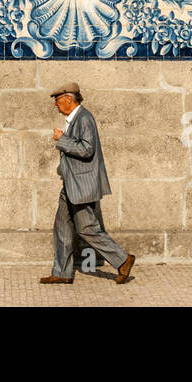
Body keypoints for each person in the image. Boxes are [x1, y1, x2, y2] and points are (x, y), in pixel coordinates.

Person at [40, 83, 135, 286]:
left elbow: (87, 149)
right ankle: (62, 272)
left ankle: (123, 259)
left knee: (87, 228)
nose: (56, 106)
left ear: (68, 99)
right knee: (62, 227)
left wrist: (62, 139)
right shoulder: (75, 119)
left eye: (57, 101)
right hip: (71, 185)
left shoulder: (84, 118)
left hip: (81, 185)